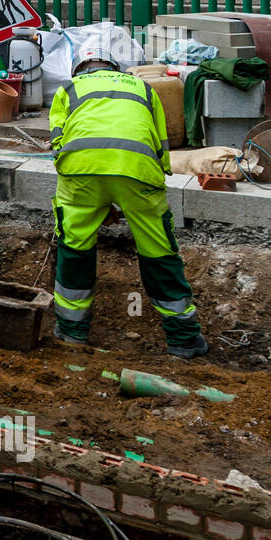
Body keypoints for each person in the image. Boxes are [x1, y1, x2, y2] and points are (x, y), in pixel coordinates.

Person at [48, 43, 208, 358]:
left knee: (75, 247)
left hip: (81, 171)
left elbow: (57, 141)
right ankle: (184, 340)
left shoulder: (68, 87)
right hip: (138, 170)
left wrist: (95, 195)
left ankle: (71, 332)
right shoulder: (143, 88)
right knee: (159, 251)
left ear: (79, 69)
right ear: (114, 68)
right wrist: (144, 186)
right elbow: (162, 141)